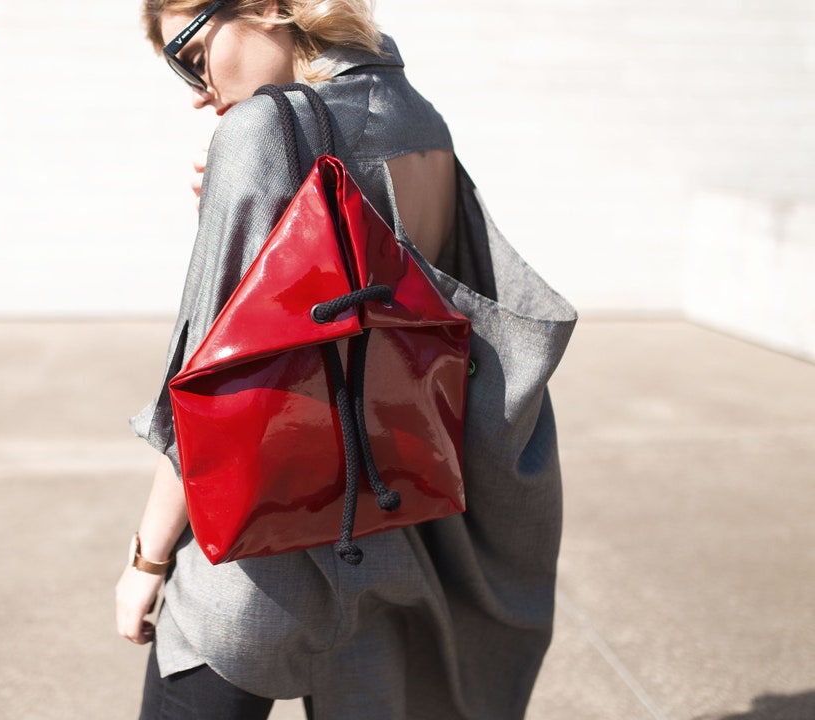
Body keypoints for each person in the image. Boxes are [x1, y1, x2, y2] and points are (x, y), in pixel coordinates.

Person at [117, 1, 569, 718]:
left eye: (192, 56)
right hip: (391, 535)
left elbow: (203, 382)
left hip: (262, 554)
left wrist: (146, 560)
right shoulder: (417, 114)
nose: (199, 91)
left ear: (266, 6)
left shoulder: (260, 127)